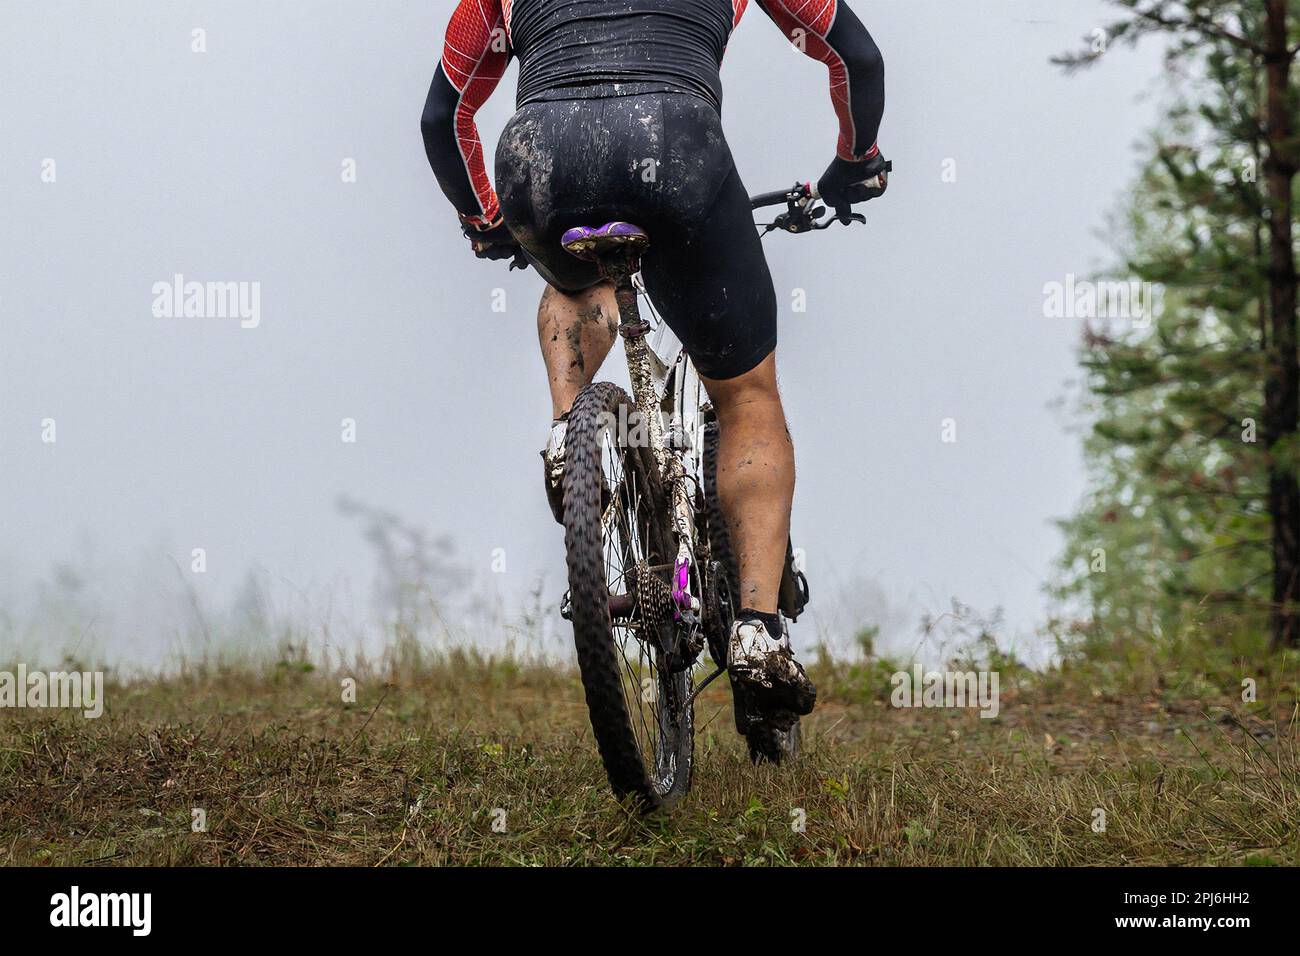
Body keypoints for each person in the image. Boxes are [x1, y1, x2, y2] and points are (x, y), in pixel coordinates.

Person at [421, 0, 887, 726]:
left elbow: (442, 118)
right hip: (674, 147)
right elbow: (853, 55)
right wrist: (855, 164)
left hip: (539, 159)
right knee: (747, 399)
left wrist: (483, 219)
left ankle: (568, 433)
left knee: (576, 283)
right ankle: (759, 631)